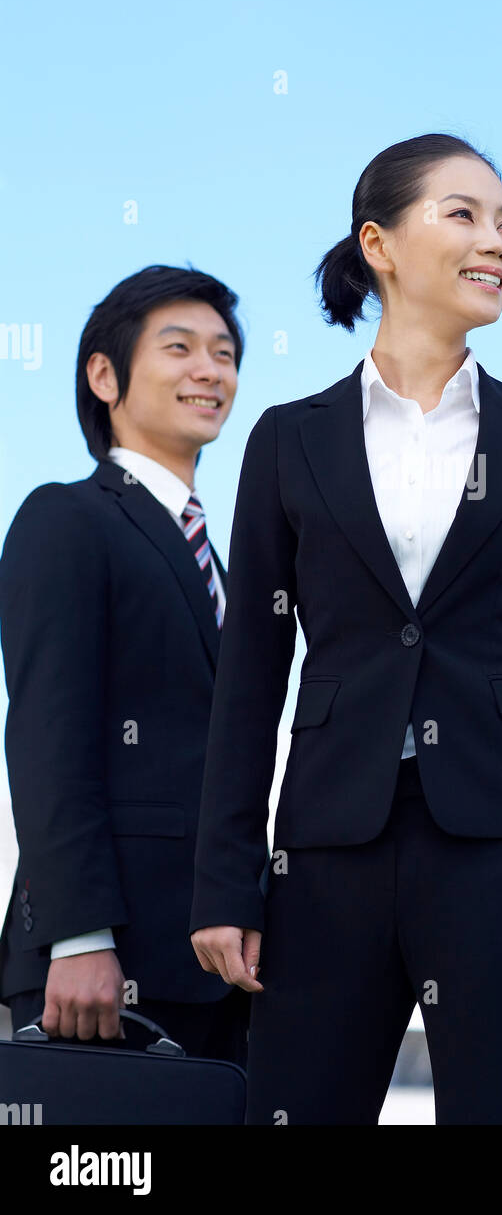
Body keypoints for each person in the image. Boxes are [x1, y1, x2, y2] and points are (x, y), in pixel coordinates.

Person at [189, 133, 502, 1125]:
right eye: (466, 214)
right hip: (326, 851)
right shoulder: (286, 438)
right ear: (380, 243)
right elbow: (251, 676)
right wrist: (225, 878)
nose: (499, 242)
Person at [0, 264, 250, 1065]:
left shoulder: (229, 563)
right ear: (104, 376)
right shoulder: (66, 518)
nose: (209, 370)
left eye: (223, 352)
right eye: (179, 348)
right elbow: (46, 737)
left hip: (221, 963)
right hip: (103, 964)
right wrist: (78, 936)